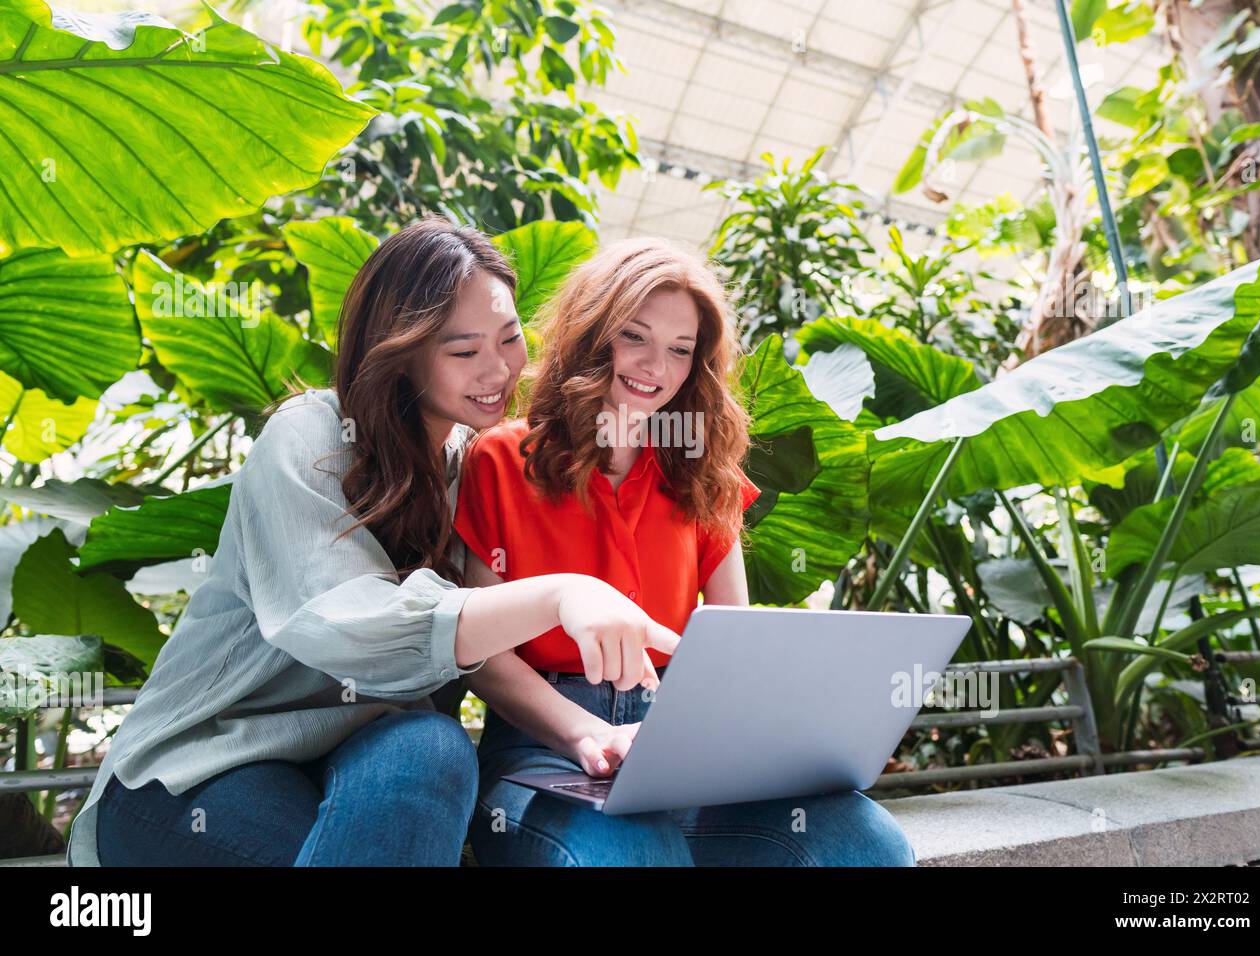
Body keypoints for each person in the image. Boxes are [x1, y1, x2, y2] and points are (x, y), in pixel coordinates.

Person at [71, 217, 677, 867]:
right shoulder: (310, 437)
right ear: (400, 350)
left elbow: (480, 650)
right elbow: (348, 628)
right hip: (204, 768)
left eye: (510, 339)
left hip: (369, 765)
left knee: (433, 744)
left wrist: (591, 731)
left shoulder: (474, 463)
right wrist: (564, 593)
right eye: (464, 351)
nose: (500, 370)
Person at [454, 237, 918, 866]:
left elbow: (735, 641)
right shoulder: (501, 459)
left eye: (680, 349)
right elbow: (482, 654)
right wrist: (586, 733)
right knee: (637, 851)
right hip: (542, 749)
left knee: (867, 844)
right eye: (635, 337)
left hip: (675, 742)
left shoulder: (705, 473)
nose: (656, 367)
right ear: (593, 334)